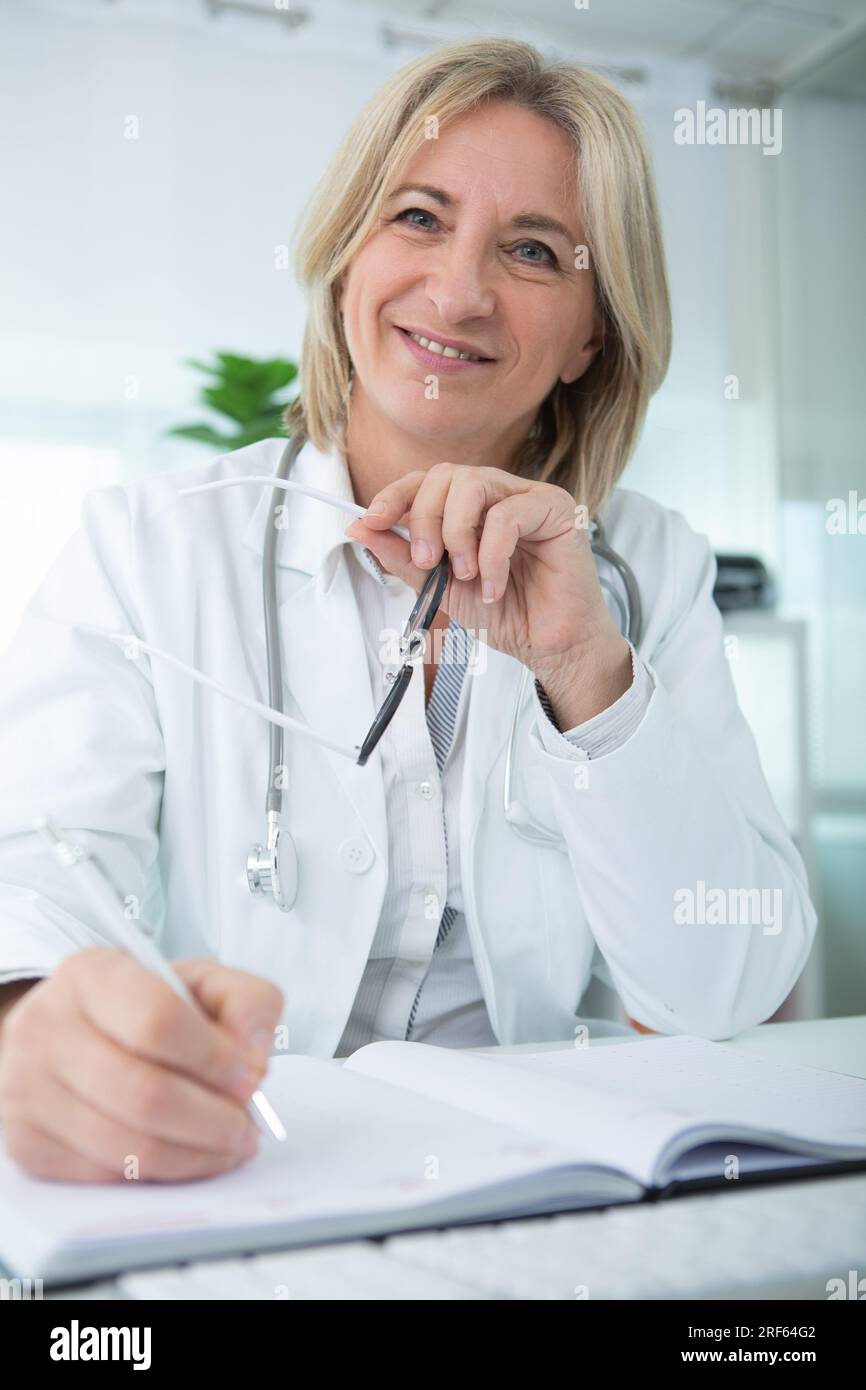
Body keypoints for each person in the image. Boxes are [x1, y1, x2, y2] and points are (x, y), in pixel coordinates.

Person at [0, 38, 816, 1184]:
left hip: (536, 1190)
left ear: (591, 333)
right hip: (237, 1168)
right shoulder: (149, 545)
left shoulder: (647, 571)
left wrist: (586, 670)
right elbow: (34, 868)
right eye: (418, 218)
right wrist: (40, 1021)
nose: (458, 290)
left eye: (531, 250)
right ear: (343, 254)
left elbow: (721, 985)